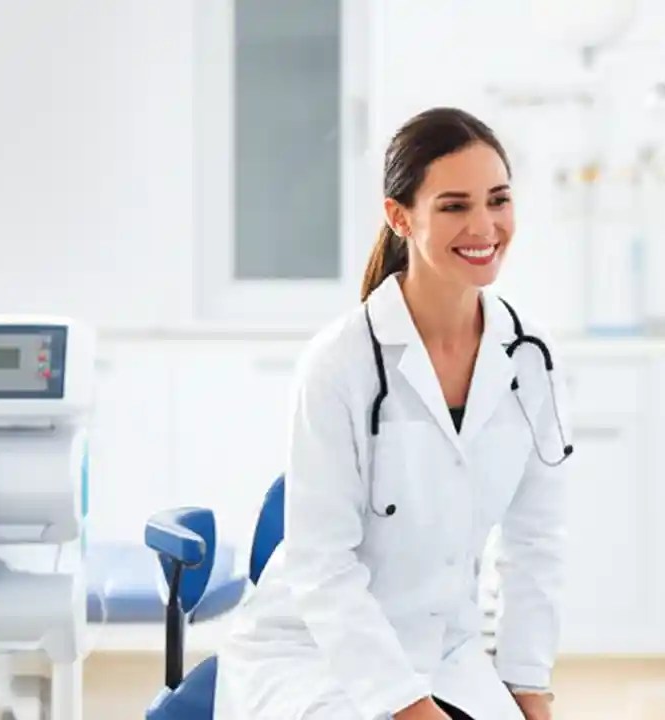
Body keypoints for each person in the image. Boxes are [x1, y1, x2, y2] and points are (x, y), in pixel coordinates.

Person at [214, 107, 571, 720]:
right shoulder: (340, 364)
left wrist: (530, 694)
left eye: (498, 200)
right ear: (399, 216)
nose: (483, 225)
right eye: (454, 206)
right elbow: (322, 565)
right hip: (314, 656)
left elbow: (535, 543)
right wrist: (407, 706)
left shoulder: (530, 357)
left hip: (447, 651)